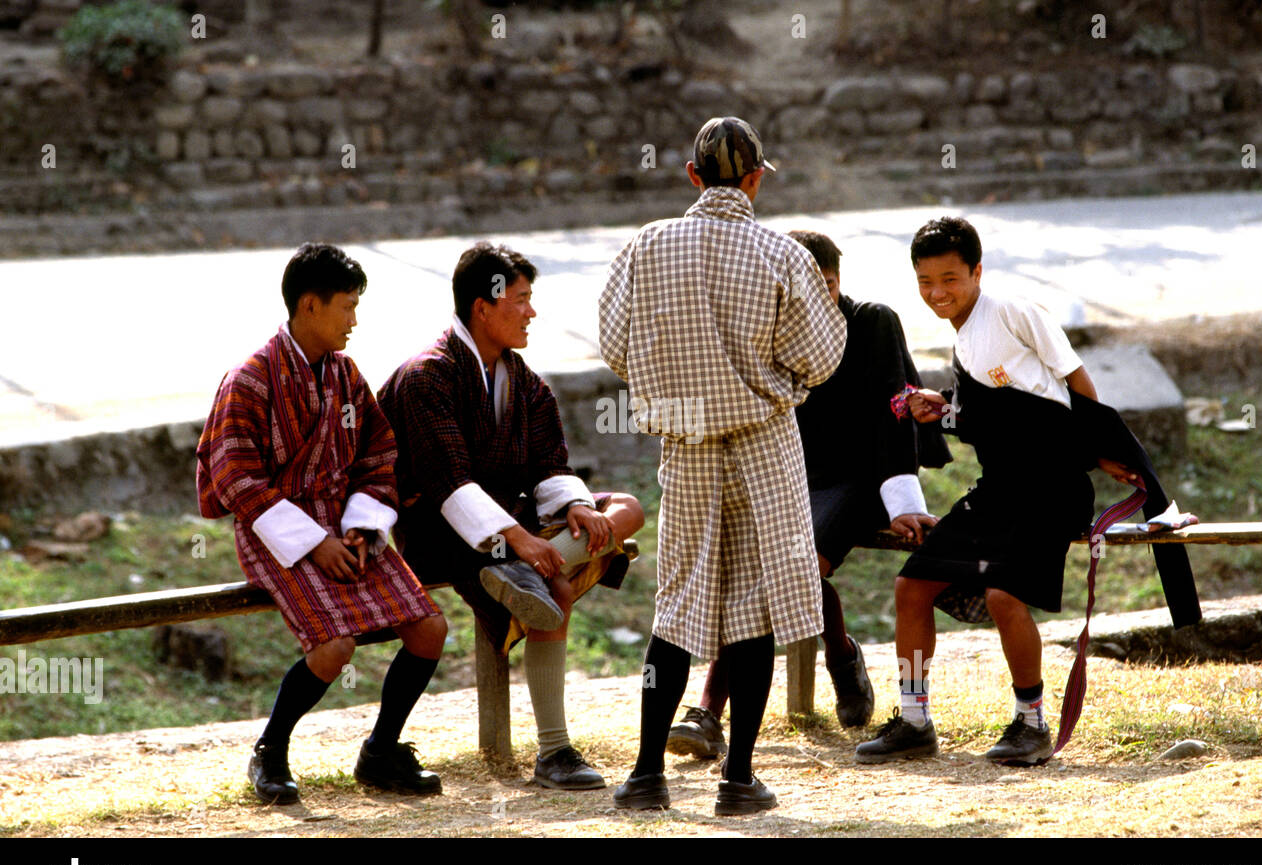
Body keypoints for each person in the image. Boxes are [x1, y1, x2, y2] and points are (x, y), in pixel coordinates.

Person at [855, 216, 1198, 768]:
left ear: (977, 272)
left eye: (950, 279)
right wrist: (944, 408)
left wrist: (1100, 449)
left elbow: (1076, 386)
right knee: (911, 587)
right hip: (998, 489)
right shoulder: (964, 341)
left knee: (1003, 596)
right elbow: (999, 420)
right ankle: (915, 721)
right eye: (925, 282)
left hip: (1053, 489)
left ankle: (1031, 724)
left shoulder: (1013, 311)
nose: (937, 293)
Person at [599, 117, 847, 815]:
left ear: (691, 175)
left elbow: (615, 345)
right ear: (756, 178)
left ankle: (647, 775)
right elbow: (822, 358)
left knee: (675, 608)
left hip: (685, 442)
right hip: (764, 443)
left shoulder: (645, 247)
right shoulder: (782, 254)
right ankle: (738, 780)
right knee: (754, 609)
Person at [666, 230, 951, 759]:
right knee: (756, 566)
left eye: (828, 285)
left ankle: (708, 711)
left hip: (868, 477)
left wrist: (906, 504)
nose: (819, 298)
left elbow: (895, 414)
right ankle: (841, 655)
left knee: (791, 567)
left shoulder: (873, 321)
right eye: (806, 289)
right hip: (793, 475)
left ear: (838, 280)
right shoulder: (771, 329)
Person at [377, 242, 645, 791]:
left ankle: (518, 570)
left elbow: (550, 463)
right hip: (437, 530)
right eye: (521, 300)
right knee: (558, 590)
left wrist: (572, 506)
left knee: (628, 509)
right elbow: (448, 484)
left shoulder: (524, 382)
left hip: (508, 526)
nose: (531, 312)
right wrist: (519, 539)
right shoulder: (428, 376)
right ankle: (554, 752)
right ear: (484, 305)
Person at [196, 243, 447, 805]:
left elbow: (378, 451)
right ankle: (271, 751)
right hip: (275, 532)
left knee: (430, 630)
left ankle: (382, 750)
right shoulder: (250, 379)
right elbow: (236, 478)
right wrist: (314, 544)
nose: (355, 321)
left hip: (346, 527)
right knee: (334, 646)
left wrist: (362, 526)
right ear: (309, 305)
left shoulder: (345, 374)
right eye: (347, 307)